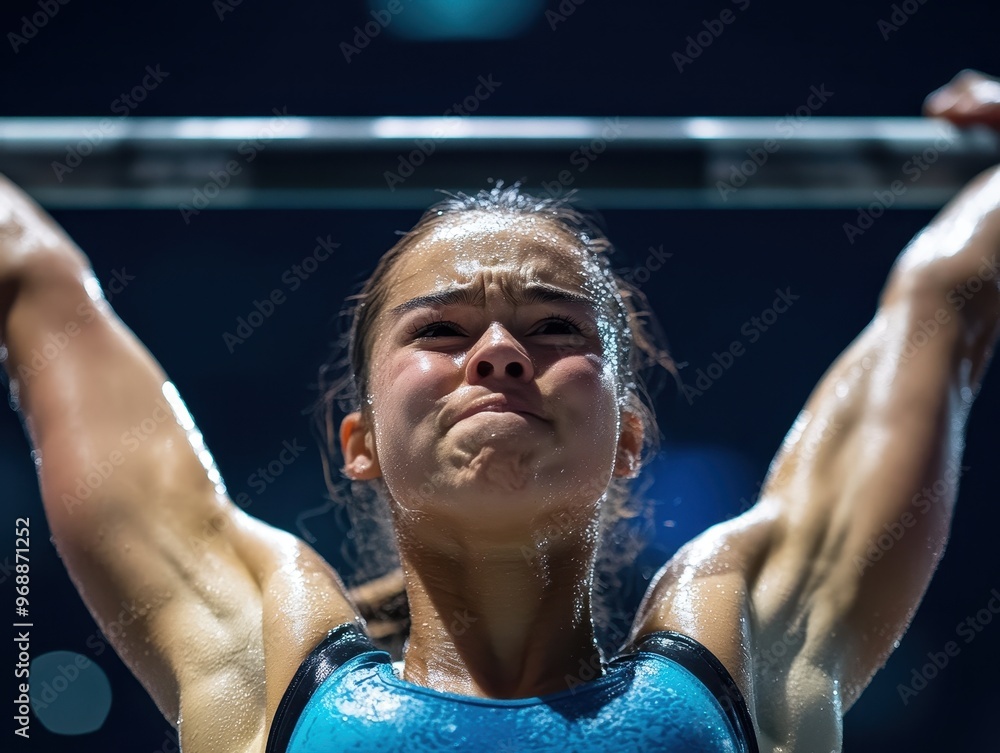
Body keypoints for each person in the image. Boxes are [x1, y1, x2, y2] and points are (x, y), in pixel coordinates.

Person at [1, 69, 998, 753]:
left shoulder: (741, 638)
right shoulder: (264, 658)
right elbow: (34, 289)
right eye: (441, 331)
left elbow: (946, 308)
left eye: (556, 329)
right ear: (360, 444)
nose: (501, 352)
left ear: (628, 439)